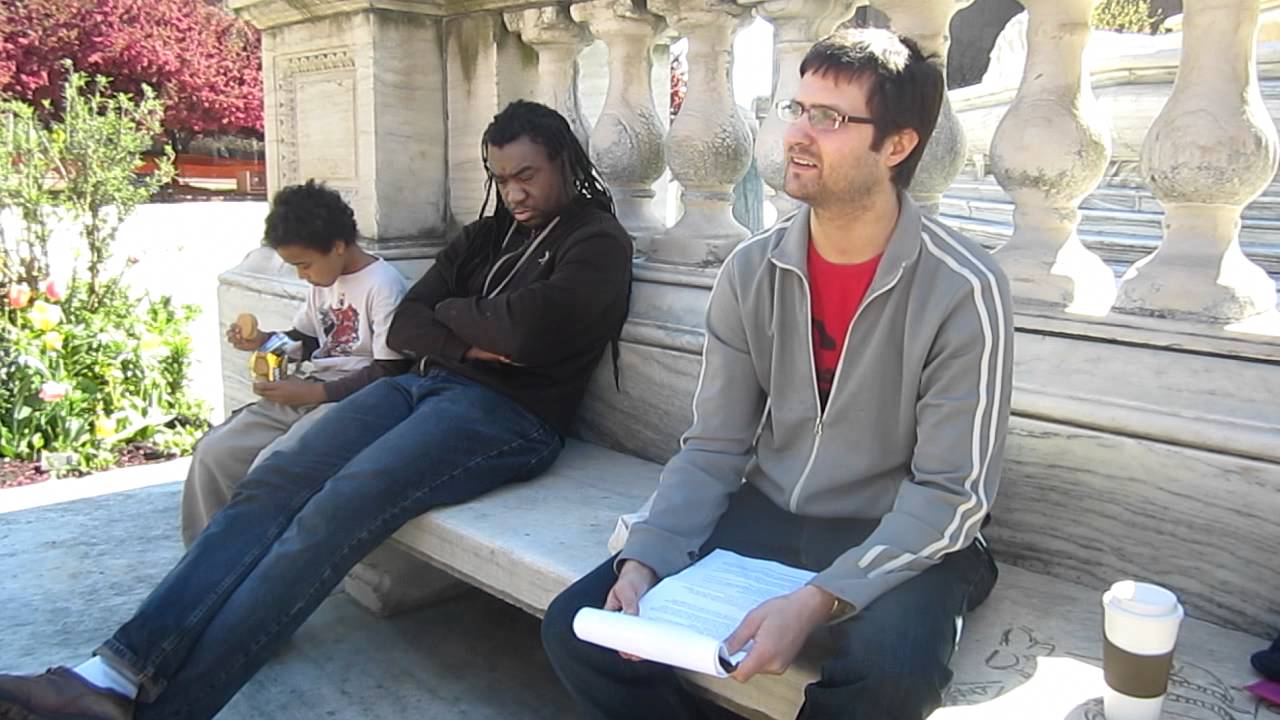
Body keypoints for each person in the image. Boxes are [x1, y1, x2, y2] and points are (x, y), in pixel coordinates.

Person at [0, 100, 633, 720]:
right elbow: (407, 323)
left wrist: (452, 317)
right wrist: (468, 335)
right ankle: (110, 673)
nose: (514, 192)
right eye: (501, 177)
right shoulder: (486, 235)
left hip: (508, 415)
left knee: (336, 508)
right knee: (273, 480)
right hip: (419, 387)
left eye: (527, 175)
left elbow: (525, 335)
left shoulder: (598, 241)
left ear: (564, 161)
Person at [541, 28, 1013, 720]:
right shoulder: (751, 270)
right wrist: (645, 559)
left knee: (890, 676)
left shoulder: (963, 287)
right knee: (583, 631)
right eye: (797, 108)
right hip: (770, 513)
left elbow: (952, 494)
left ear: (897, 145)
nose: (797, 134)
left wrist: (817, 601)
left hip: (903, 530)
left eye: (829, 118)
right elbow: (714, 447)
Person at [181, 180, 410, 547]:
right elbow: (306, 338)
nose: (302, 275)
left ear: (338, 245)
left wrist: (315, 394)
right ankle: (205, 555)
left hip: (352, 403)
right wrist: (263, 341)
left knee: (272, 465)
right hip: (309, 391)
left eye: (304, 265)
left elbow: (391, 370)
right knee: (215, 452)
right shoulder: (324, 280)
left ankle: (257, 560)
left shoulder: (383, 286)